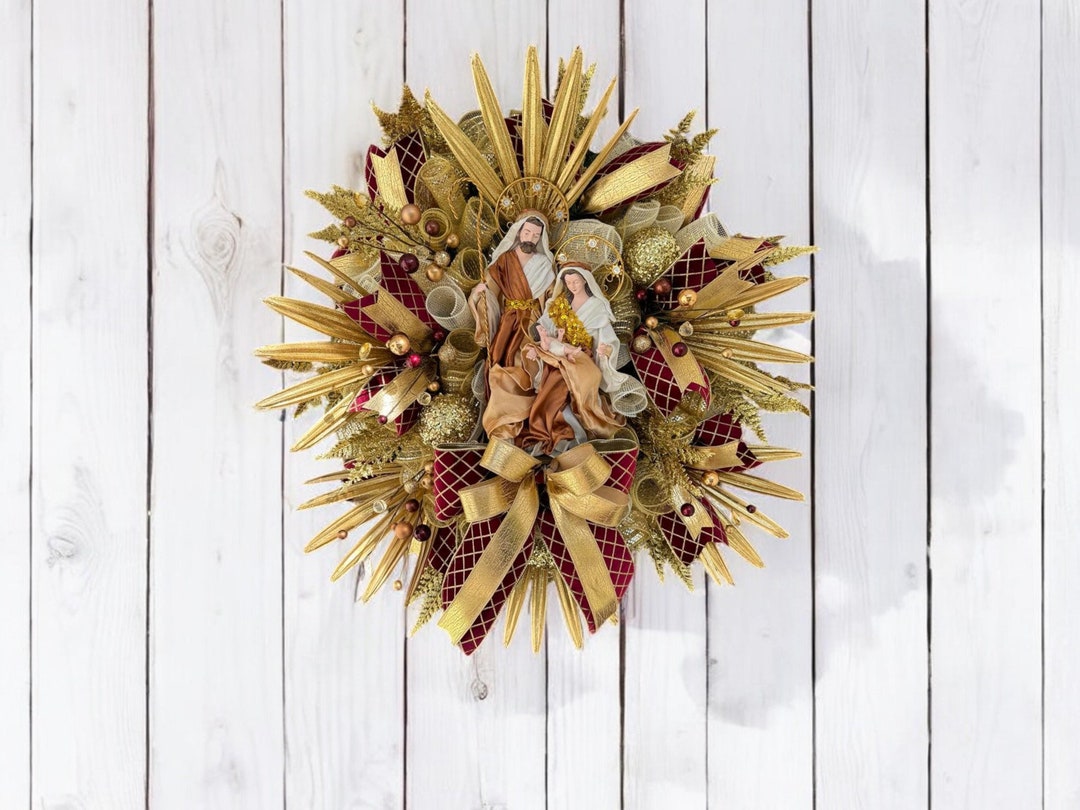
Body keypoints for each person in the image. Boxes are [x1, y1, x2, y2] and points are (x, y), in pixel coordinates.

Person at [520, 262, 636, 454]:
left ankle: (563, 430)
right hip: (557, 355)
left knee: (559, 383)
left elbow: (605, 336)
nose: (573, 286)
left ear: (584, 280)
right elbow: (543, 328)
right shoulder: (561, 305)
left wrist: (606, 350)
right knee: (550, 381)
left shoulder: (597, 307)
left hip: (581, 357)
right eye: (568, 282)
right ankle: (551, 428)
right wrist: (539, 344)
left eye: (576, 281)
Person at [469, 212, 555, 442]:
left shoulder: (545, 264)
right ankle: (504, 425)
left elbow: (551, 299)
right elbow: (491, 290)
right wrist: (480, 296)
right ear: (518, 232)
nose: (530, 238)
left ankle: (527, 421)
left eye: (535, 235)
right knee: (501, 364)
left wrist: (546, 323)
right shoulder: (505, 260)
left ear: (540, 238)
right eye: (527, 232)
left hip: (534, 324)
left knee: (529, 367)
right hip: (509, 324)